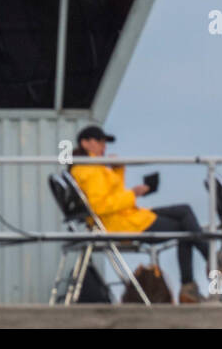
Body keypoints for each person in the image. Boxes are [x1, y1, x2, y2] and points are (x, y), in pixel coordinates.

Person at [70, 125, 210, 304]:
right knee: (187, 225)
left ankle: (201, 273)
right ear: (85, 143)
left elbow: (111, 196)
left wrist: (117, 170)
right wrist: (133, 194)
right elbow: (100, 206)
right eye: (99, 141)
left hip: (127, 218)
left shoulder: (94, 167)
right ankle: (201, 273)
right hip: (123, 224)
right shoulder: (88, 169)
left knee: (185, 213)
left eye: (104, 142)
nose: (103, 146)